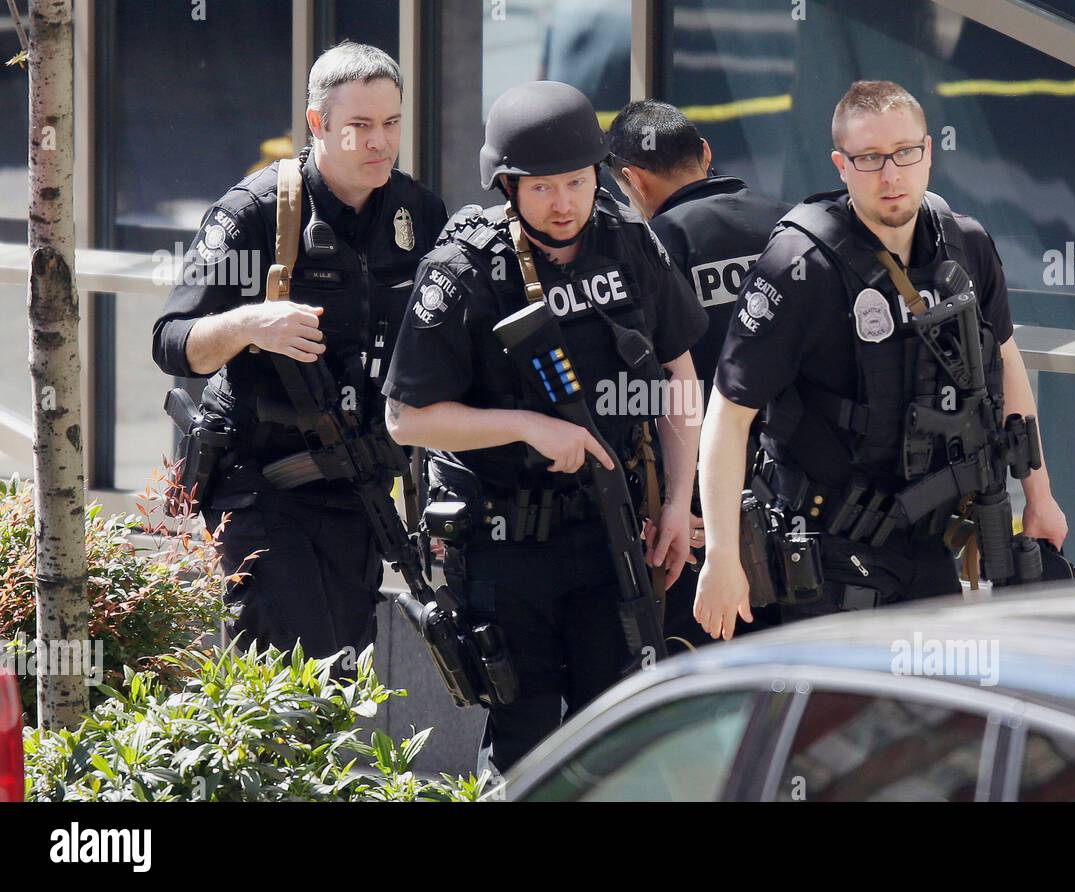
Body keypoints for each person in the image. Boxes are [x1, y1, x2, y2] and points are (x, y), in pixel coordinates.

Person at [382, 81, 707, 772]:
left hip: (608, 529)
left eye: (576, 182)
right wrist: (529, 426)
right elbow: (407, 419)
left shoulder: (629, 243)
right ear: (507, 187)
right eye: (542, 188)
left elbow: (679, 371)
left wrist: (678, 501)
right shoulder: (463, 268)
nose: (563, 203)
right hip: (504, 547)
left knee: (611, 739)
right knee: (524, 745)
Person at [695, 80, 1068, 640]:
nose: (891, 175)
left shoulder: (966, 246)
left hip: (928, 545)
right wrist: (722, 556)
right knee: (830, 725)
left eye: (904, 154)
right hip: (825, 554)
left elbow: (1008, 363)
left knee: (929, 719)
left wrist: (1039, 496)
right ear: (841, 166)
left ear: (928, 154)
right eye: (869, 159)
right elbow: (728, 413)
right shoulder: (800, 267)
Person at [151, 42, 447, 661]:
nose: (380, 144)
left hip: (359, 481)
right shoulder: (255, 214)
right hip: (263, 484)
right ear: (318, 125)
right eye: (359, 127)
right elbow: (173, 343)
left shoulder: (417, 213)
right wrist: (253, 322)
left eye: (391, 124)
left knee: (341, 676)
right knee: (291, 668)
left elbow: (439, 355)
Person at [606, 99, 789, 645]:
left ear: (630, 179)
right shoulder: (790, 223)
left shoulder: (651, 246)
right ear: (705, 154)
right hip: (798, 492)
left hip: (702, 513)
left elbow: (653, 388)